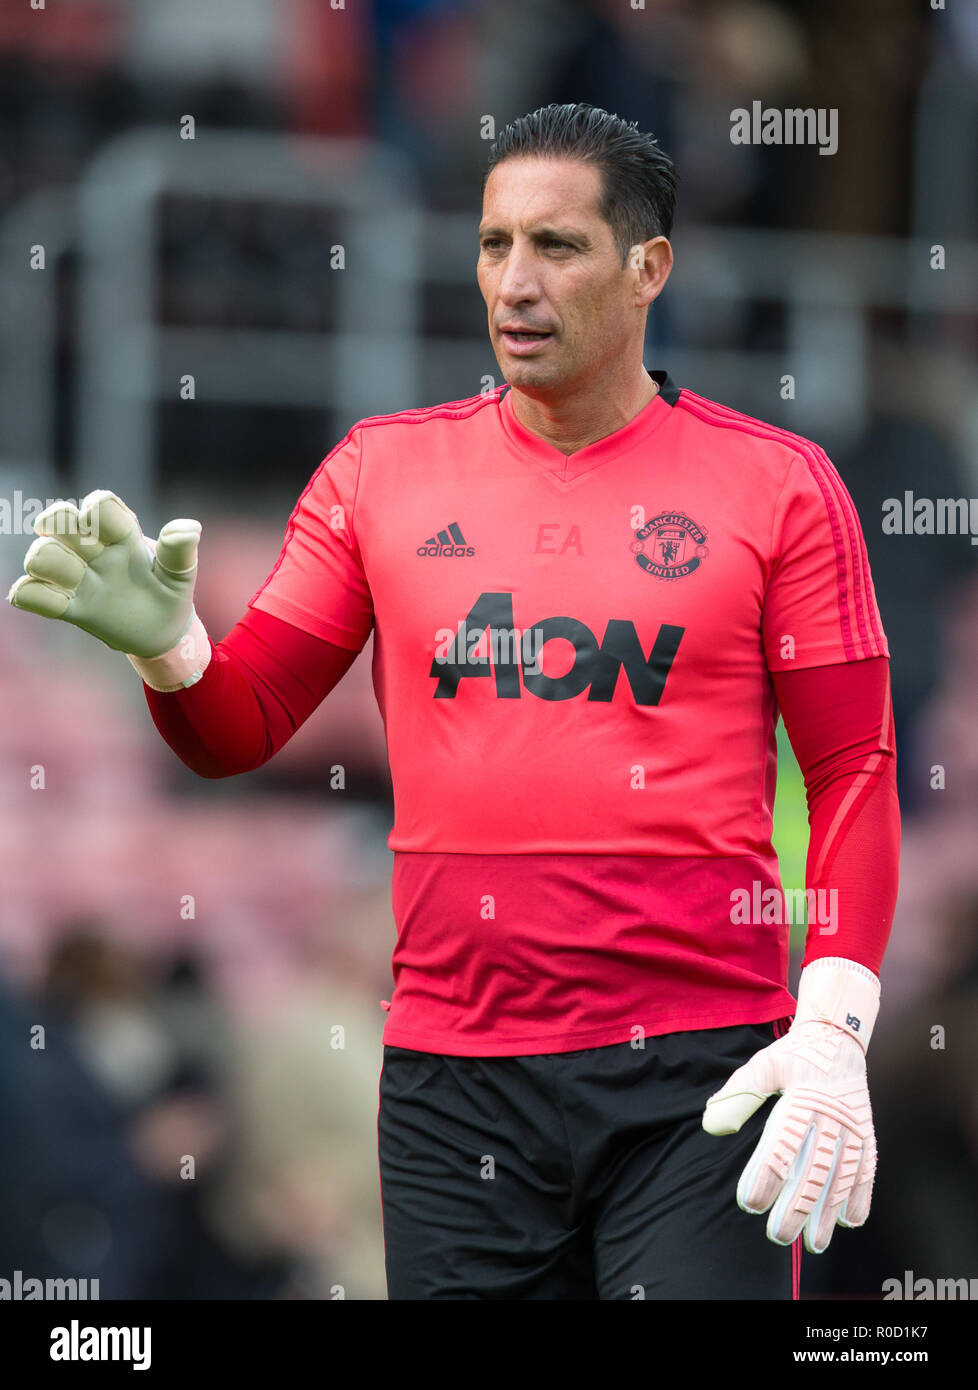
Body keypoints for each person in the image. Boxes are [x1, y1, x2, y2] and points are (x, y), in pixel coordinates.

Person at [8, 102, 900, 1300]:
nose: (515, 283)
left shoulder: (779, 487)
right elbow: (240, 730)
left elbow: (855, 768)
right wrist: (168, 650)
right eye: (493, 245)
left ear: (650, 270)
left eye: (557, 246)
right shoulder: (381, 472)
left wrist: (836, 1025)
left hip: (703, 1078)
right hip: (452, 1083)